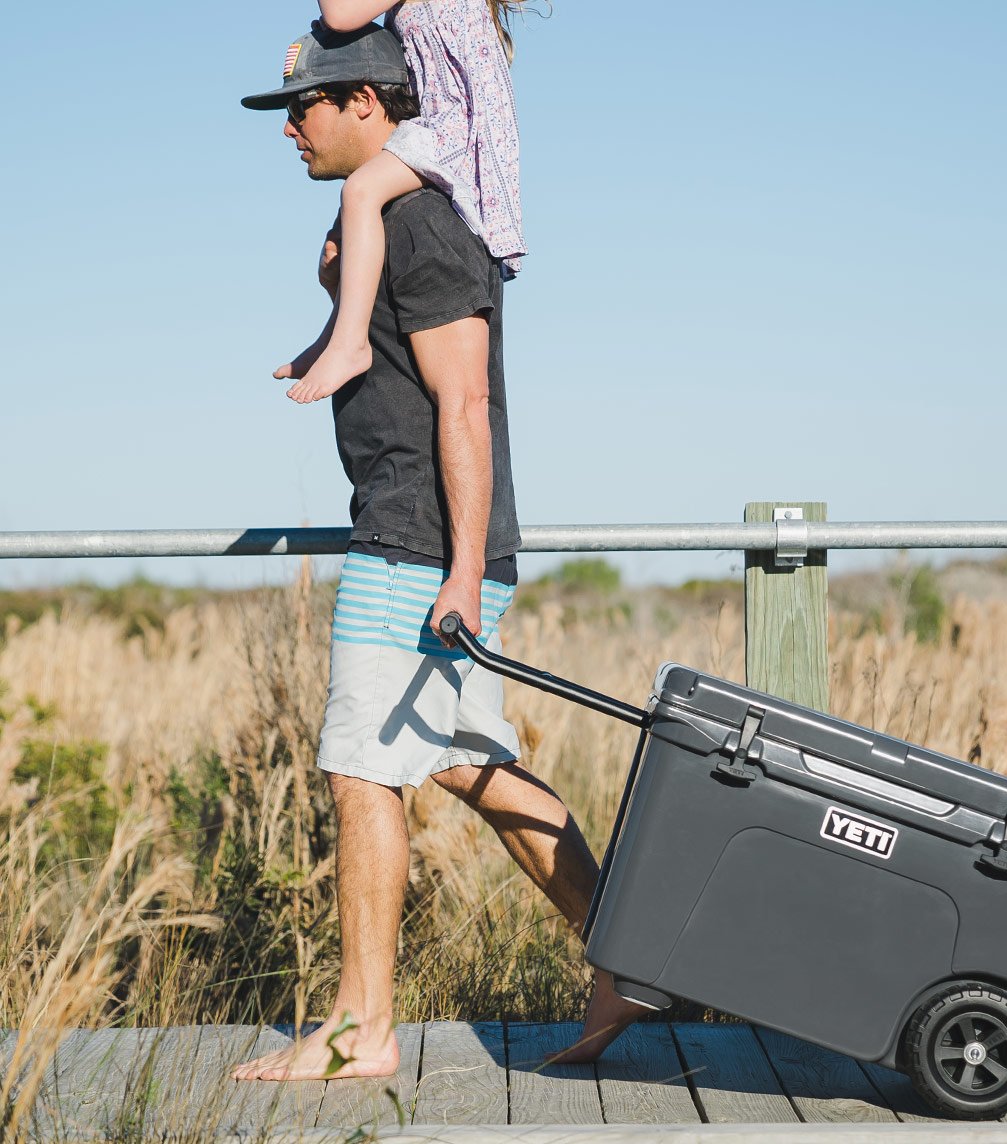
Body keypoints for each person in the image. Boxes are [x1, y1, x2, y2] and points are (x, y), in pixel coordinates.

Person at [234, 22, 636, 1081]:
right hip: (430, 539)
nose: (291, 131)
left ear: (371, 103)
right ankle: (629, 956)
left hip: (418, 543)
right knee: (466, 764)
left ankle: (362, 1031)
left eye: (305, 110)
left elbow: (463, 404)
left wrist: (460, 569)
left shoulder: (420, 224)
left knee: (359, 771)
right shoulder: (387, 226)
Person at [275, 0, 527, 406]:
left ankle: (351, 345)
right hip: (439, 119)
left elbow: (340, 14)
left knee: (359, 191)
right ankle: (334, 336)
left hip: (450, 125)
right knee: (348, 225)